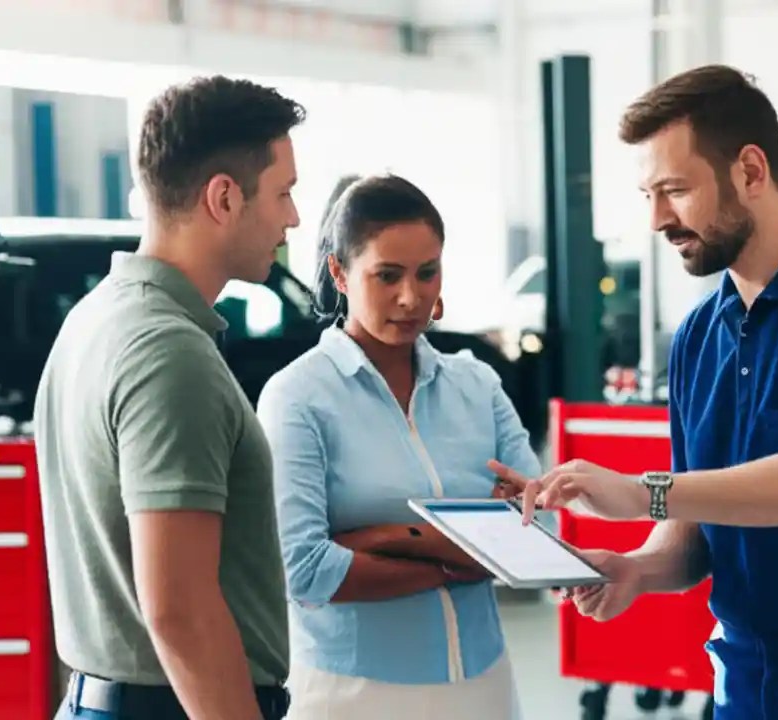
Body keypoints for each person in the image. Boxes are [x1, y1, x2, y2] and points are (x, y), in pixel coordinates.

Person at [496, 65, 778, 719]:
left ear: (750, 170)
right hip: (746, 678)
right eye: (648, 195)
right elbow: (696, 539)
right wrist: (635, 569)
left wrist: (641, 492)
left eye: (675, 190)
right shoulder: (697, 337)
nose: (657, 218)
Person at [33, 75, 304, 720]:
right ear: (224, 197)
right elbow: (179, 611)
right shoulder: (167, 354)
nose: (293, 217)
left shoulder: (96, 318)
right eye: (284, 192)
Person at [256, 174, 538, 720]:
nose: (411, 297)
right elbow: (304, 569)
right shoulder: (298, 397)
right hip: (350, 693)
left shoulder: (477, 386)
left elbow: (537, 535)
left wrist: (388, 538)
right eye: (387, 276)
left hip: (482, 684)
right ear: (339, 271)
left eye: (426, 273)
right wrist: (462, 559)